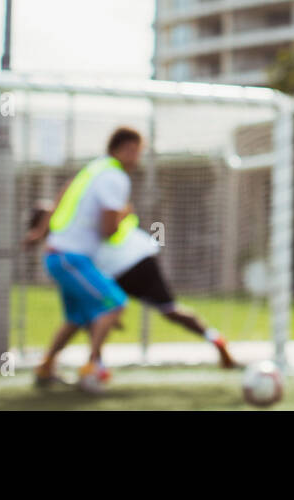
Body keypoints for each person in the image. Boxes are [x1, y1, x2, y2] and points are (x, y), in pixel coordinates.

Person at [24, 200, 237, 371]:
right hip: (110, 271)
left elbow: (122, 207)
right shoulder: (63, 248)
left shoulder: (78, 213)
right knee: (80, 318)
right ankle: (58, 365)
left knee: (169, 310)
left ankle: (217, 340)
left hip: (135, 259)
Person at [23, 127, 139, 393]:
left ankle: (45, 367)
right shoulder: (114, 177)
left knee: (76, 318)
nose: (136, 158)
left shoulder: (93, 170)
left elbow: (63, 192)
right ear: (118, 149)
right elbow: (109, 230)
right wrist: (124, 215)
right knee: (114, 304)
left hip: (60, 256)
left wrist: (41, 232)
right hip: (71, 258)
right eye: (133, 151)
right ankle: (91, 370)